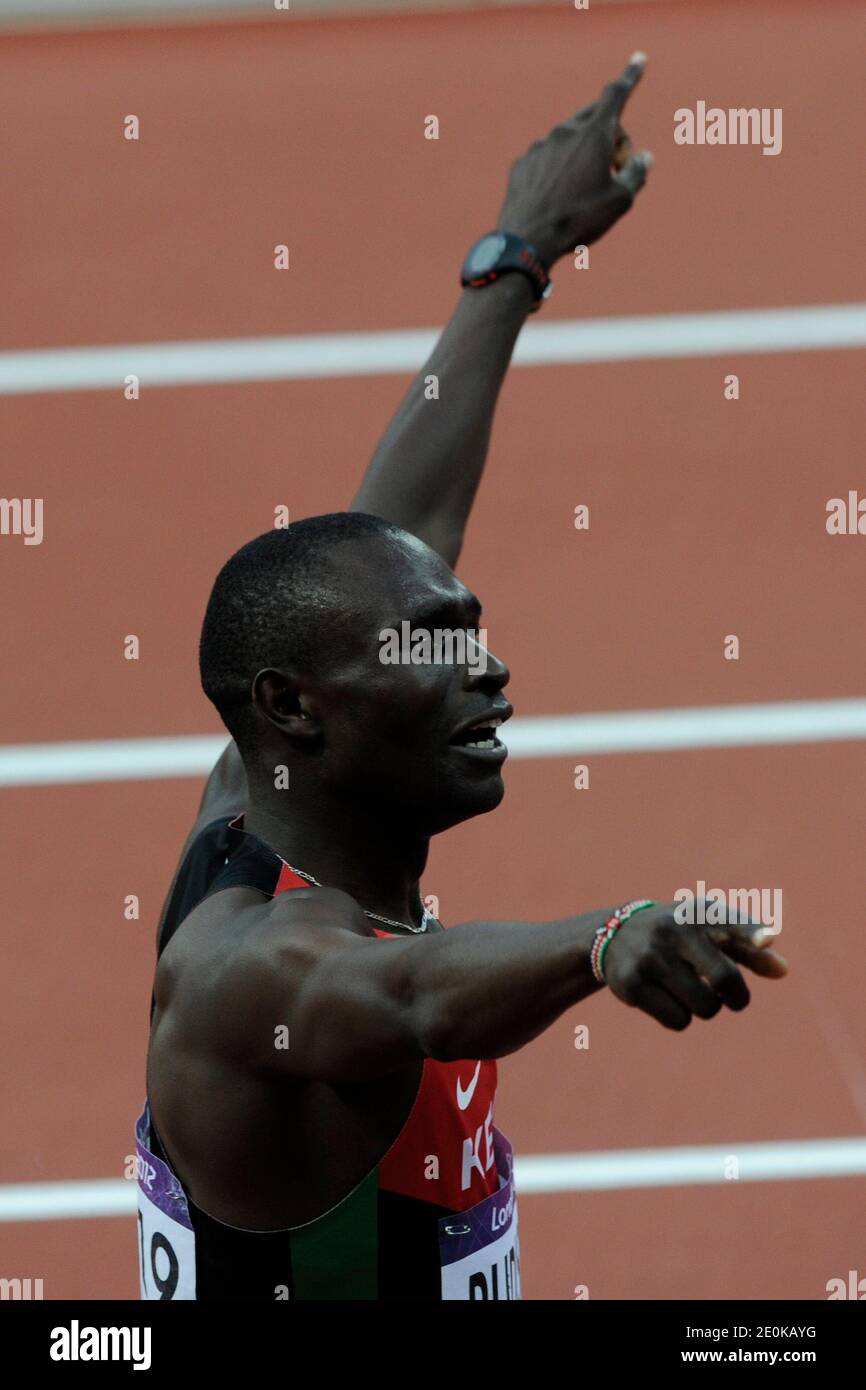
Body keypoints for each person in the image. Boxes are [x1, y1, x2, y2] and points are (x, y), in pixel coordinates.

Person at [136, 54, 786, 1302]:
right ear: (294, 707)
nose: (485, 670)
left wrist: (517, 258)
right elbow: (414, 992)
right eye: (431, 646)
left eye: (469, 629)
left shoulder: (266, 777)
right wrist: (603, 940)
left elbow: (402, 520)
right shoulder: (248, 973)